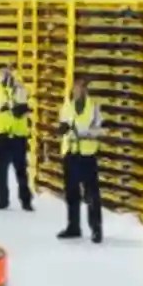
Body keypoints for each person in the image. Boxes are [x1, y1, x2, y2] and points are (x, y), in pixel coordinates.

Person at [57, 76, 103, 243]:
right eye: (75, 87)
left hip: (87, 155)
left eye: (79, 87)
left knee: (92, 195)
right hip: (71, 154)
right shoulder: (67, 107)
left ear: (85, 89)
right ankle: (73, 227)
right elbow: (62, 125)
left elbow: (99, 130)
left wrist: (85, 133)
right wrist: (62, 129)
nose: (76, 90)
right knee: (71, 194)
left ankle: (96, 228)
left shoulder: (93, 107)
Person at [0, 64, 33, 211]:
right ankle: (2, 200)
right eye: (2, 70)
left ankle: (26, 200)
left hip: (17, 134)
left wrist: (12, 105)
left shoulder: (19, 87)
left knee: (21, 170)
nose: (5, 72)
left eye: (8, 69)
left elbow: (22, 107)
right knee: (2, 170)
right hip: (1, 133)